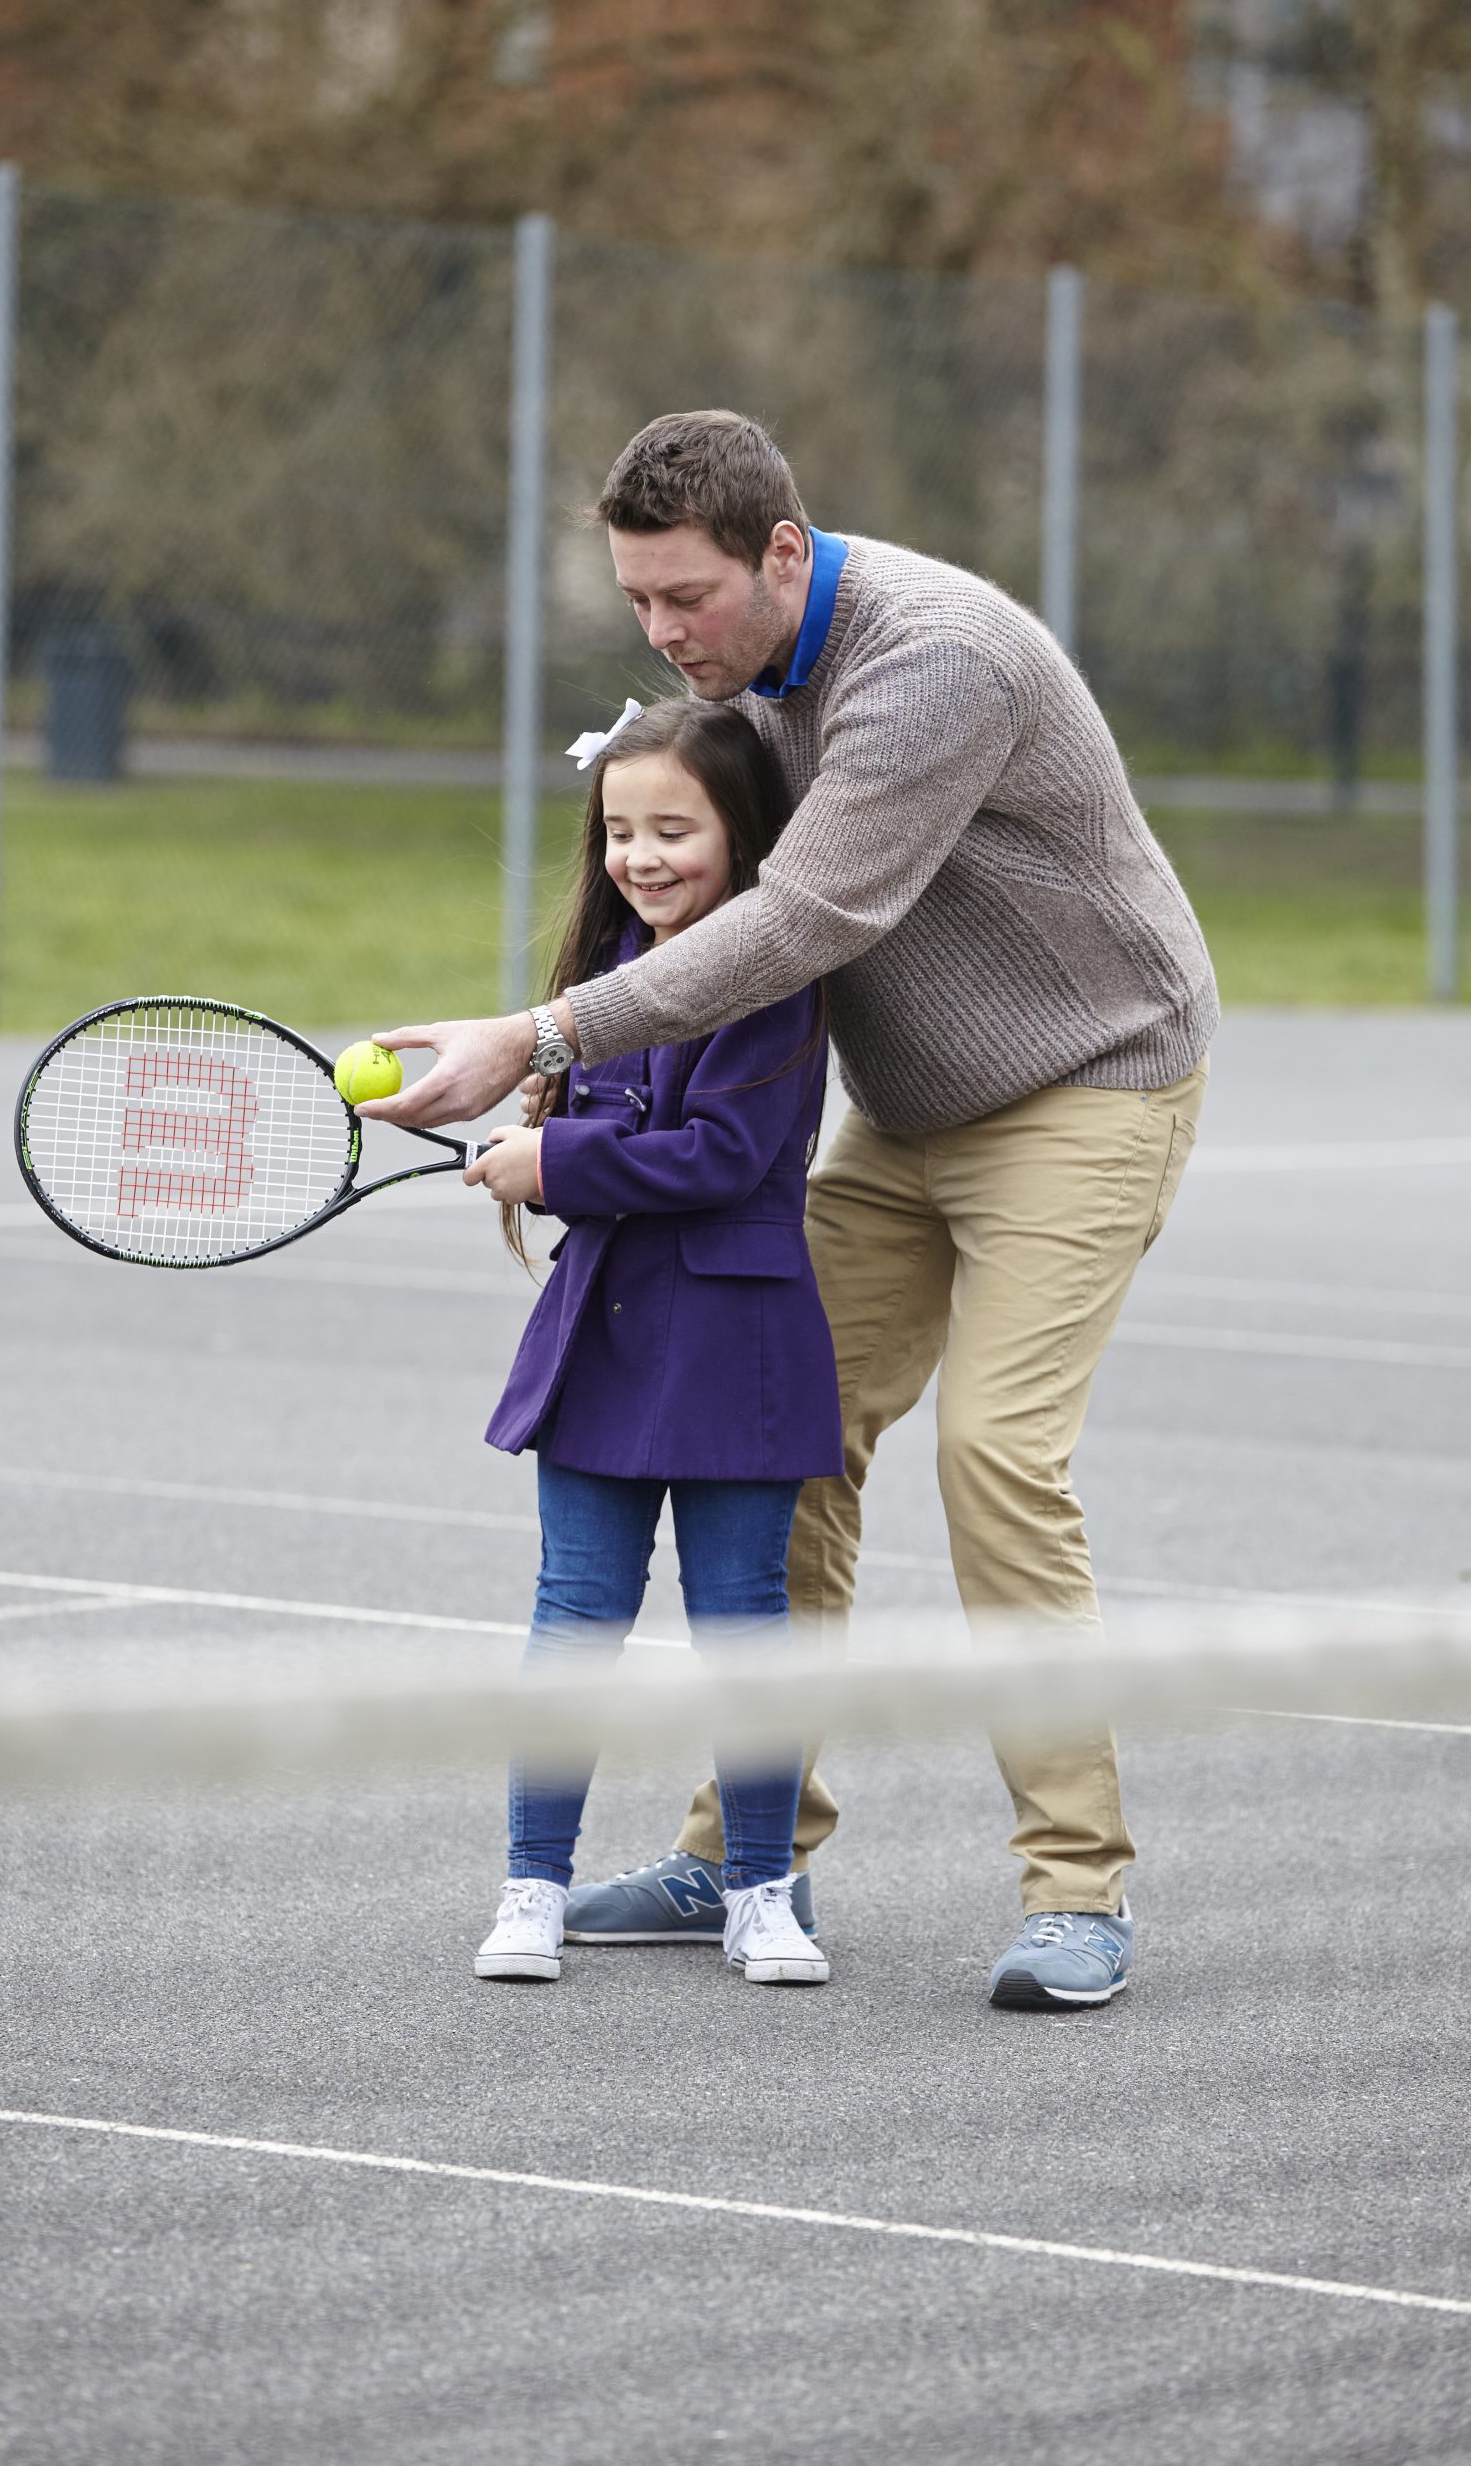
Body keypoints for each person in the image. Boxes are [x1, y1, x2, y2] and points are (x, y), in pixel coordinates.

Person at [363, 409, 1219, 2013]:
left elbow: (803, 918)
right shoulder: (738, 678)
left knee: (999, 1461)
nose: (663, 635)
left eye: (685, 599)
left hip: (1088, 1084)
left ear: (782, 551)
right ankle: (745, 1855)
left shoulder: (933, 663)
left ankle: (1077, 1892)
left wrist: (534, 1041)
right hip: (910, 1114)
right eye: (636, 604)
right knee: (785, 1436)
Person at [465, 696, 840, 1988]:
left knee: (745, 1626)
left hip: (740, 1343)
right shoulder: (600, 982)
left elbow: (726, 1157)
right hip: (605, 1343)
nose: (643, 855)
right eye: (622, 830)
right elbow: (614, 1141)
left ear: (743, 835)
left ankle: (759, 1896)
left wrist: (552, 1156)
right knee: (573, 1623)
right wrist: (532, 1129)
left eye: (674, 827)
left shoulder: (776, 979)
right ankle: (531, 1888)